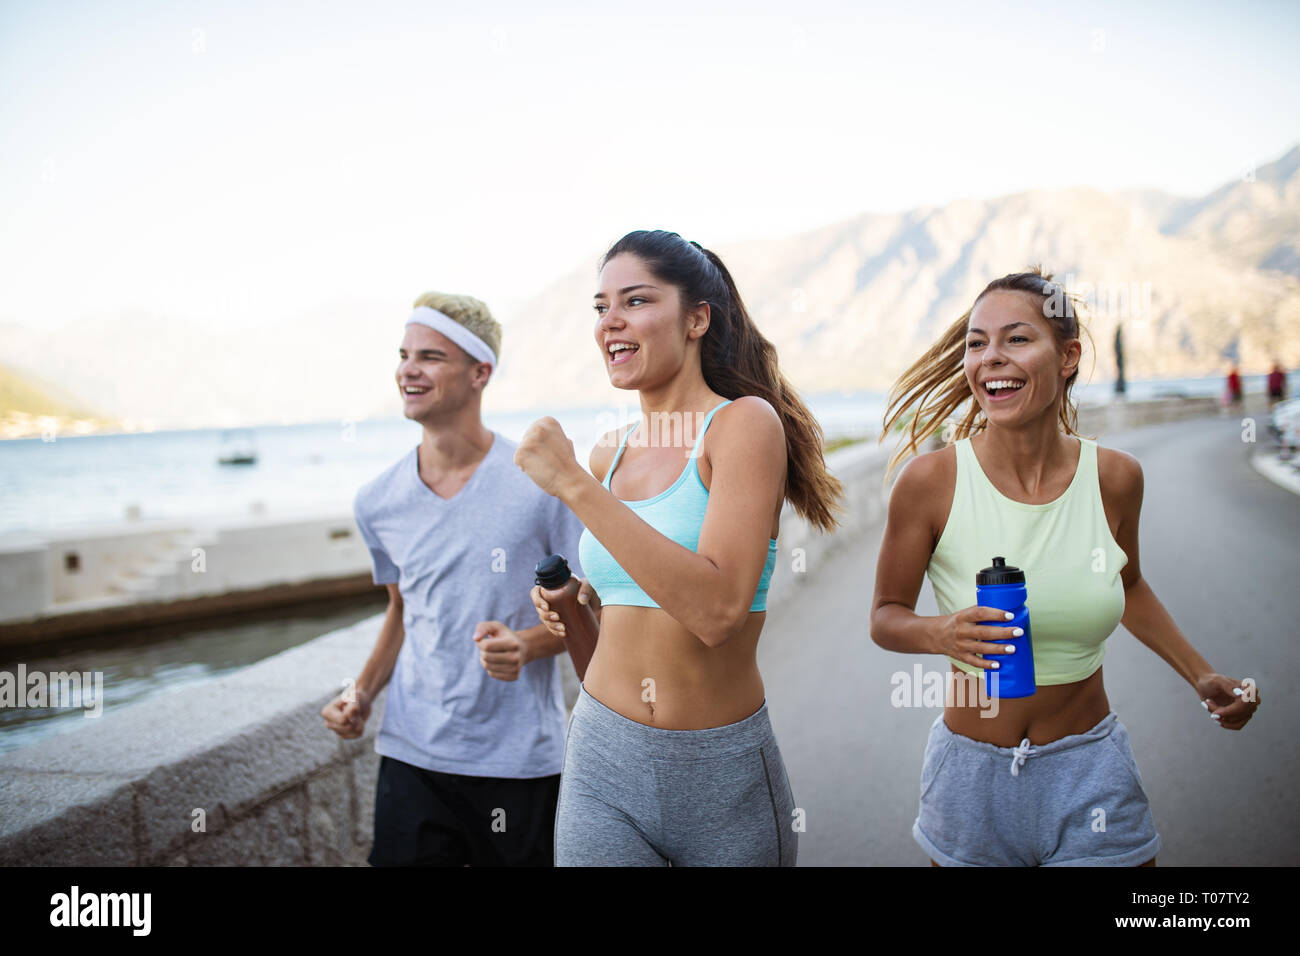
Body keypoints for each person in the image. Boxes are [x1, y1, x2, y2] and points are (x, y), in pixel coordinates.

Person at [869, 268, 1260, 867]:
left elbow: (1126, 586)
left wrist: (1201, 675)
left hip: (1090, 771)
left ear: (1068, 356)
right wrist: (940, 632)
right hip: (971, 782)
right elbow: (885, 617)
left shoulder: (1116, 479)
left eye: (1017, 339)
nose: (990, 358)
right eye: (977, 343)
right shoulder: (930, 483)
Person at [514, 229, 844, 866]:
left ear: (697, 319)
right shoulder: (608, 452)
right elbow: (626, 628)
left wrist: (574, 487)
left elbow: (718, 613)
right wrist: (582, 606)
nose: (611, 321)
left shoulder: (743, 425)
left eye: (635, 301)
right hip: (601, 759)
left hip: (720, 774)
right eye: (600, 307)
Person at [320, 291, 585, 866]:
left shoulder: (538, 483)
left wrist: (527, 643)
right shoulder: (378, 501)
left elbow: (589, 610)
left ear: (479, 373)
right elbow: (402, 609)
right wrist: (360, 694)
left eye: (431, 357)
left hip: (518, 761)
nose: (408, 369)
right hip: (413, 757)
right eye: (403, 354)